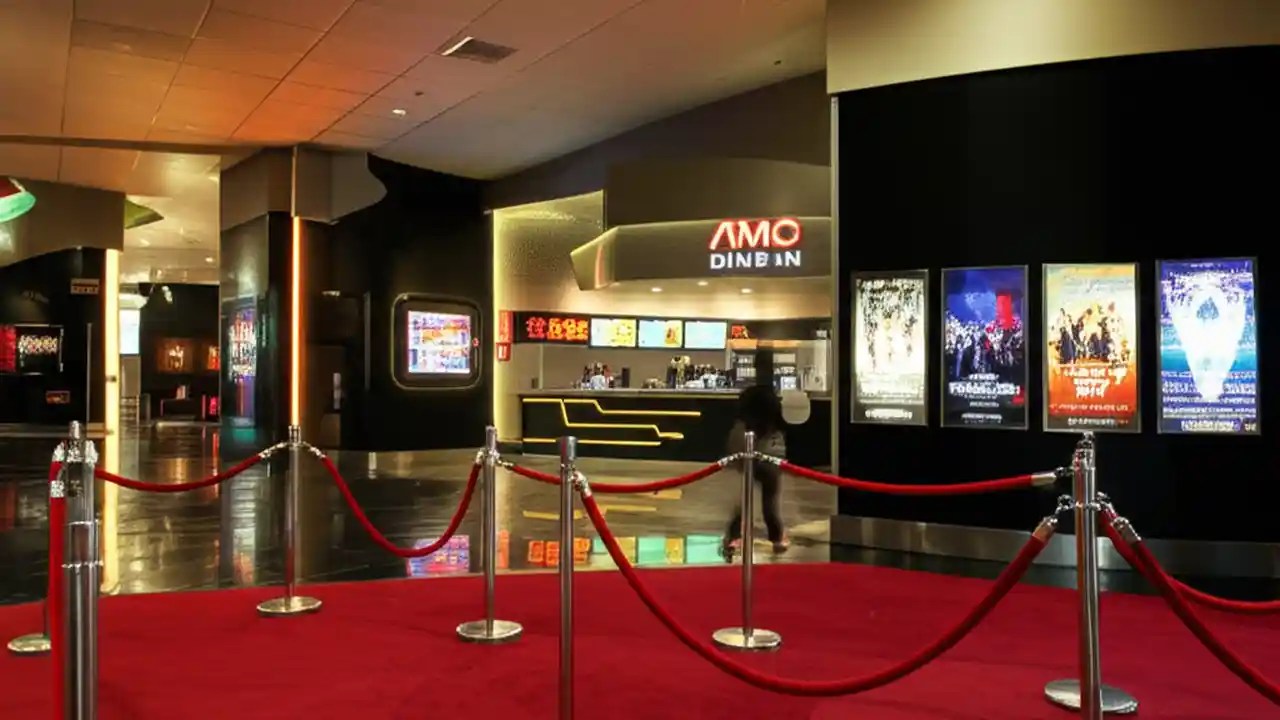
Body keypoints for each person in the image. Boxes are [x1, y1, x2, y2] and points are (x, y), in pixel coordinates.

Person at [721, 384, 788, 562]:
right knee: (770, 503)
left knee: (742, 502)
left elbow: (734, 445)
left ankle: (733, 538)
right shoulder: (773, 426)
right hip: (767, 460)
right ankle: (776, 538)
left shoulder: (742, 426)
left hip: (747, 459)